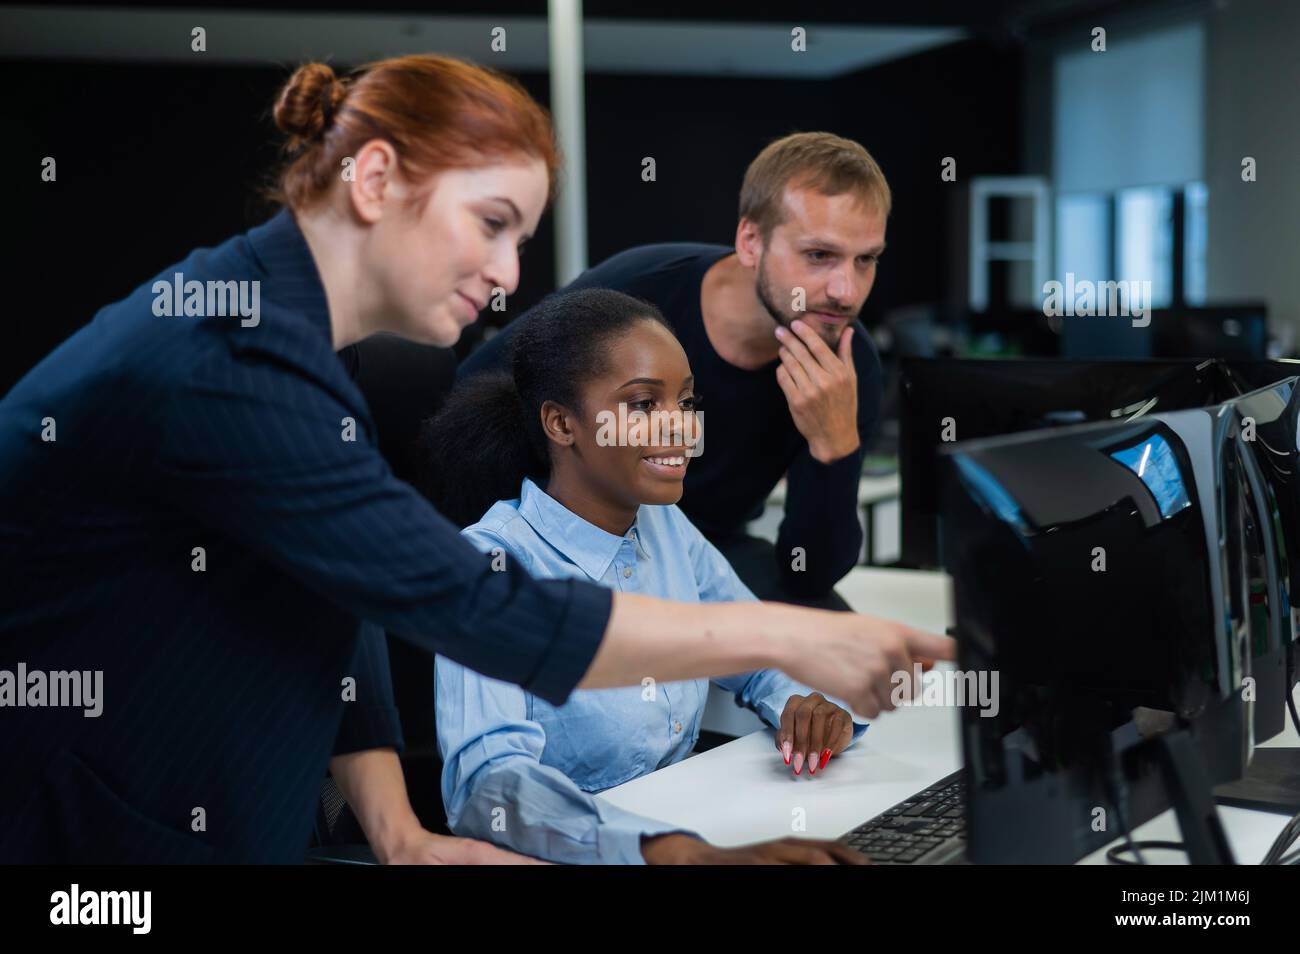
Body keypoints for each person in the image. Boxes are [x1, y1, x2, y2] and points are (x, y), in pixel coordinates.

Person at [0, 55, 949, 864]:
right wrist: (786, 638)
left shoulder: (288, 337)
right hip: (92, 827)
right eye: (491, 224)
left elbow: (338, 599)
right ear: (374, 181)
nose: (508, 275)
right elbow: (470, 606)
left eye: (521, 239)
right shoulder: (235, 360)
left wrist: (397, 831)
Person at [428, 289, 872, 864]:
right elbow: (488, 787)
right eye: (642, 406)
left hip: (687, 832)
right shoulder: (494, 565)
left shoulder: (664, 525)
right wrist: (660, 850)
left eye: (686, 402)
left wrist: (803, 702)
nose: (682, 429)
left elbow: (753, 648)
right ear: (562, 423)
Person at [459, 132, 889, 610]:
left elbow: (807, 576)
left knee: (829, 625)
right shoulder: (638, 288)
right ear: (751, 241)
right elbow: (470, 397)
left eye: (866, 259)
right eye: (819, 255)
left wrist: (835, 447)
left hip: (707, 550)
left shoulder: (849, 364)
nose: (846, 291)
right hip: (574, 533)